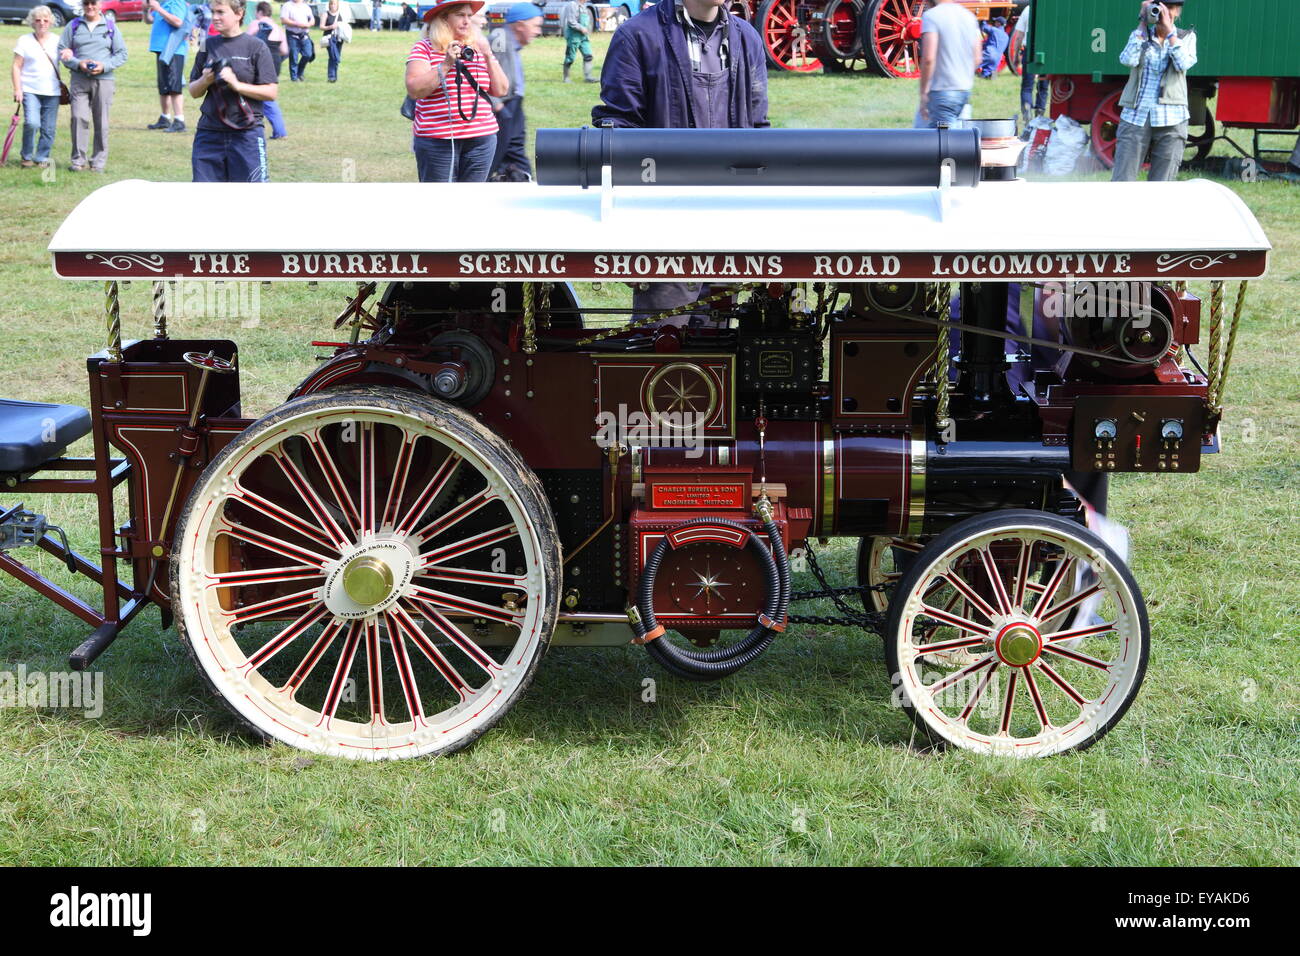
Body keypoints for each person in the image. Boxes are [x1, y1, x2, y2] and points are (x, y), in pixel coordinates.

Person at [593, 0, 769, 321]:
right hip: (665, 221)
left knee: (721, 343)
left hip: (728, 220)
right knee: (662, 340)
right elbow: (618, 131)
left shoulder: (747, 38)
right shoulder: (637, 36)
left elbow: (758, 126)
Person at [405, 0, 508, 182]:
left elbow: (501, 89)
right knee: (440, 202)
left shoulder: (476, 48)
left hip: (482, 139)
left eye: (469, 15)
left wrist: (488, 55)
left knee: (471, 201)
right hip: (437, 139)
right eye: (460, 15)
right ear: (444, 19)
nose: (467, 21)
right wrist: (446, 64)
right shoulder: (425, 48)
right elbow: (415, 90)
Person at [189, 0, 277, 181]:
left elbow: (271, 92)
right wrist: (205, 80)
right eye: (213, 12)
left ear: (239, 14)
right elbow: (193, 91)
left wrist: (236, 85)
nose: (214, 17)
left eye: (221, 12)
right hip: (209, 134)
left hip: (246, 135)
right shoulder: (207, 44)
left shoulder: (256, 46)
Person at [1111, 1, 1197, 183]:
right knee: (1122, 181)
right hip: (1136, 116)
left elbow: (1183, 64)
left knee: (1163, 185)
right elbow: (1127, 60)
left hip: (1172, 118)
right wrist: (1143, 22)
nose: (1165, 13)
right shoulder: (1141, 36)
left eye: (1170, 8)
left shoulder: (1186, 37)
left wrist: (1170, 34)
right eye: (1160, 8)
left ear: (1178, 12)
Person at [58, 0, 127, 173]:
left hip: (104, 80)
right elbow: (62, 50)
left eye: (93, 3)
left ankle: (98, 162)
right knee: (78, 118)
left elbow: (122, 53)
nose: (90, 6)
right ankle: (78, 161)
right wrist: (77, 63)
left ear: (100, 5)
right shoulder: (73, 26)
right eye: (86, 3)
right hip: (79, 80)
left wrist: (104, 66)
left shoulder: (110, 26)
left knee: (101, 121)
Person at [487, 2, 542, 181]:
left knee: (515, 153)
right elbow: (482, 72)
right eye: (535, 26)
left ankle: (523, 181)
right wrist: (497, 105)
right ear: (520, 24)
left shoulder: (509, 41)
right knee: (493, 157)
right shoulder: (500, 38)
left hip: (513, 105)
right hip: (502, 108)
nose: (538, 31)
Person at [10, 5, 62, 169]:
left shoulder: (57, 40)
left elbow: (68, 59)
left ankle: (41, 157)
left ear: (50, 22)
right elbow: (16, 66)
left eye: (45, 20)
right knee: (32, 123)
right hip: (30, 90)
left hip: (52, 91)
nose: (42, 23)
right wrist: (18, 89)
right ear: (32, 22)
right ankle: (26, 156)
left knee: (48, 128)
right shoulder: (24, 40)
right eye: (38, 20)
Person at [917, 0, 980, 128]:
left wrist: (923, 92)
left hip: (942, 90)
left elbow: (928, 58)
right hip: (964, 89)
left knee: (942, 143)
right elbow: (977, 57)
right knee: (961, 138)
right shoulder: (969, 16)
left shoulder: (931, 16)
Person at [147, 0, 190, 132]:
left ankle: (179, 120)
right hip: (161, 49)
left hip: (173, 50)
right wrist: (145, 9)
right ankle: (165, 118)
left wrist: (158, 9)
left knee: (174, 86)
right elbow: (149, 20)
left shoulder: (176, 2)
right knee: (164, 86)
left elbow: (178, 22)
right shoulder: (165, 3)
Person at [246, 0, 287, 137]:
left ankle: (276, 131)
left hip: (260, 61)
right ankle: (279, 130)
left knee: (260, 95)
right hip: (275, 61)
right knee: (268, 93)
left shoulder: (256, 24)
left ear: (260, 12)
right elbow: (285, 50)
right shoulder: (278, 28)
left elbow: (245, 42)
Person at [1010, 1, 1045, 123]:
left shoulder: (1028, 9)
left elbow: (1019, 35)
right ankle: (1040, 114)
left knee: (1027, 86)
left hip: (1030, 50)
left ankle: (1027, 113)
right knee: (1043, 86)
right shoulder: (1050, 10)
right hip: (1046, 51)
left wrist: (1015, 56)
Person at [559, 0, 594, 83]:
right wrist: (582, 28)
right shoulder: (572, 5)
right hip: (573, 36)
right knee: (570, 58)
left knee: (588, 56)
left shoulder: (583, 6)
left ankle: (588, 77)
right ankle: (566, 78)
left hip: (583, 36)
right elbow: (571, 21)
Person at [281, 0, 315, 81]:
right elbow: (283, 20)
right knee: (293, 56)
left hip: (304, 35)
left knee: (308, 54)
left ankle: (300, 73)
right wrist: (297, 24)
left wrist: (308, 24)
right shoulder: (287, 5)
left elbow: (312, 20)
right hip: (292, 35)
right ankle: (294, 78)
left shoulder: (306, 7)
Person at [321, 0, 352, 83]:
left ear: (337, 5)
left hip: (339, 38)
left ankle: (334, 77)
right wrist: (331, 26)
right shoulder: (325, 14)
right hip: (329, 38)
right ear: (329, 5)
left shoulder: (340, 14)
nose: (333, 5)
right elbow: (321, 26)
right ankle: (331, 76)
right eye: (331, 4)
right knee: (334, 57)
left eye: (334, 4)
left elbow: (344, 25)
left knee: (335, 56)